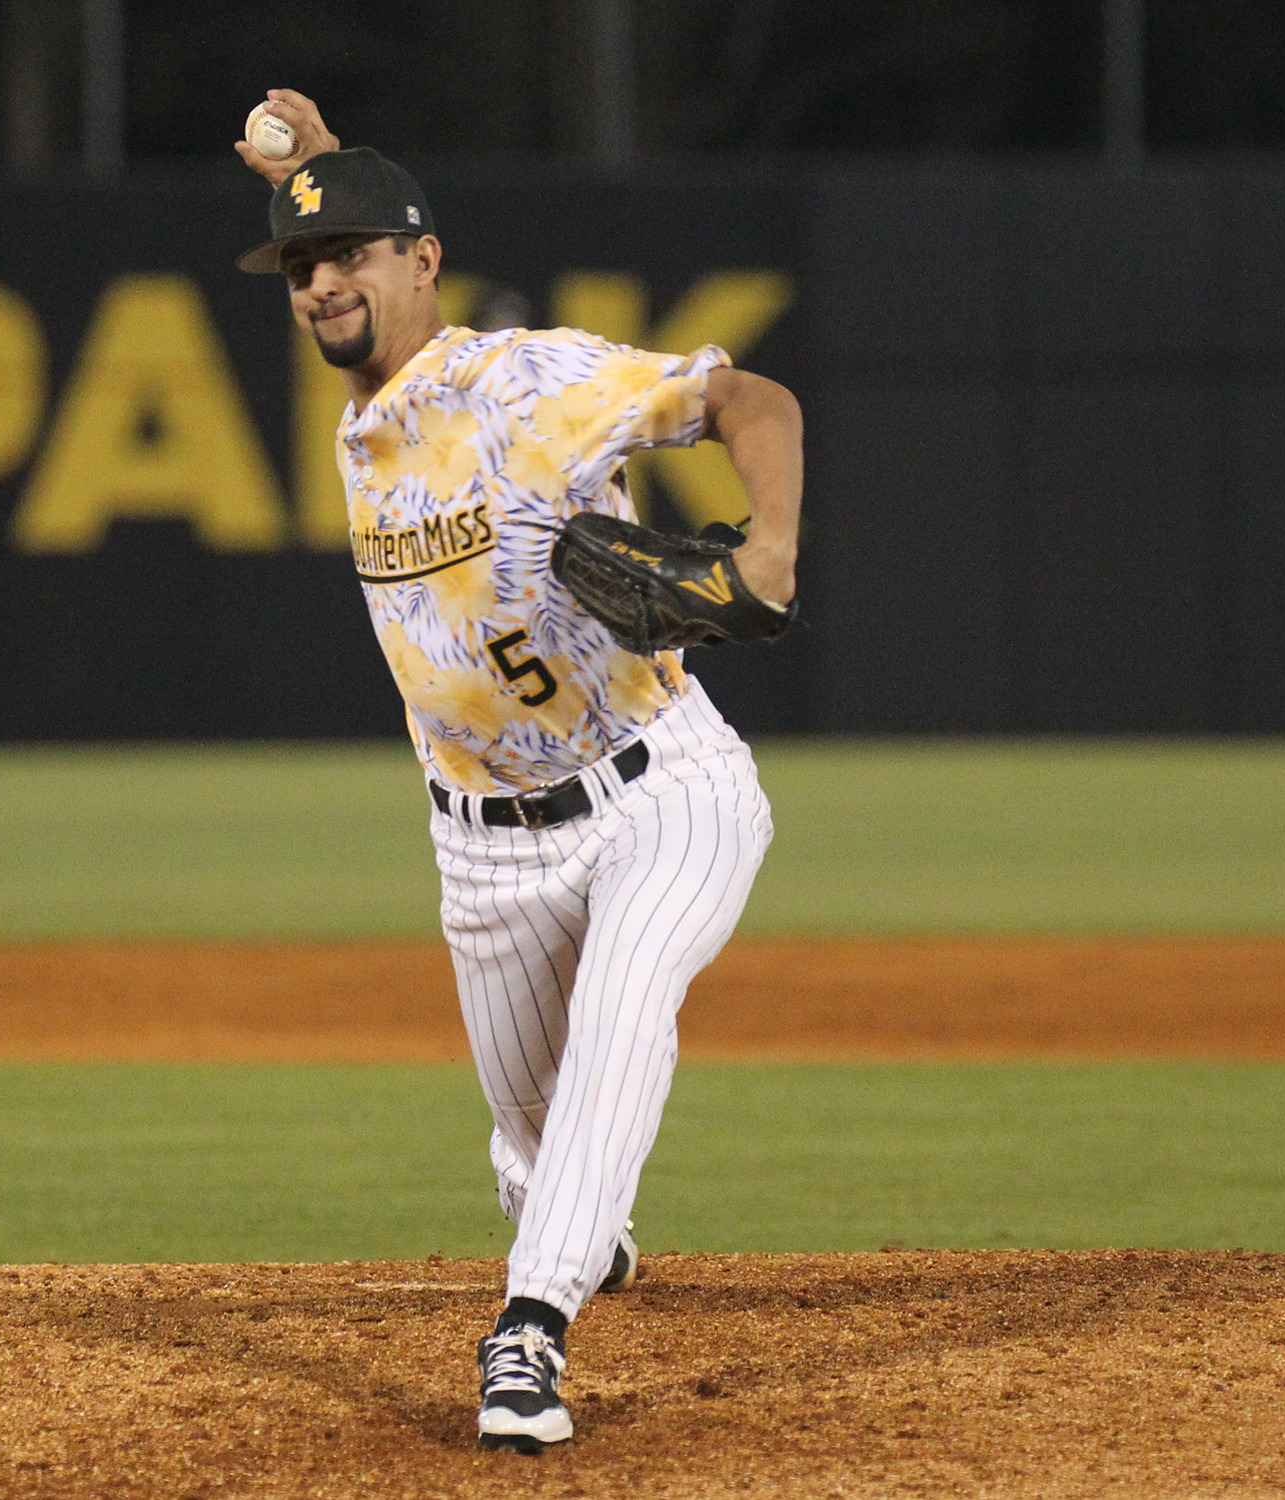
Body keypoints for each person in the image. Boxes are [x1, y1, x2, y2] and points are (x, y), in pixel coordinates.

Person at [235, 90, 803, 1454]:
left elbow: (751, 398)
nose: (321, 285)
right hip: (483, 851)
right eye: (302, 267)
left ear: (425, 259)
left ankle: (528, 1333)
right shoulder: (366, 411)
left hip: (660, 790)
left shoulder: (528, 383)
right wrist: (323, 179)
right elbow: (353, 259)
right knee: (542, 1146)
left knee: (624, 1013)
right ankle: (573, 1220)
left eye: (350, 256)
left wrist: (771, 548)